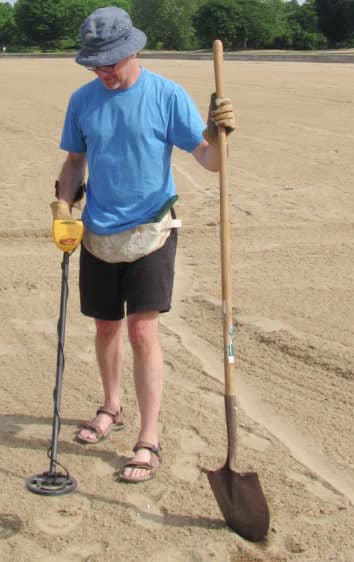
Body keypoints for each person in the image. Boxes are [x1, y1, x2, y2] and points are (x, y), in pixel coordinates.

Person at [51, 6, 236, 483]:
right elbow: (75, 161)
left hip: (152, 228)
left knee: (142, 332)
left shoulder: (167, 95)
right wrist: (63, 205)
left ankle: (148, 437)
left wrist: (220, 134)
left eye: (109, 62)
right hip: (98, 232)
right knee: (106, 329)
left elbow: (210, 161)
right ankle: (111, 407)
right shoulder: (83, 100)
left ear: (133, 49)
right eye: (95, 64)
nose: (103, 72)